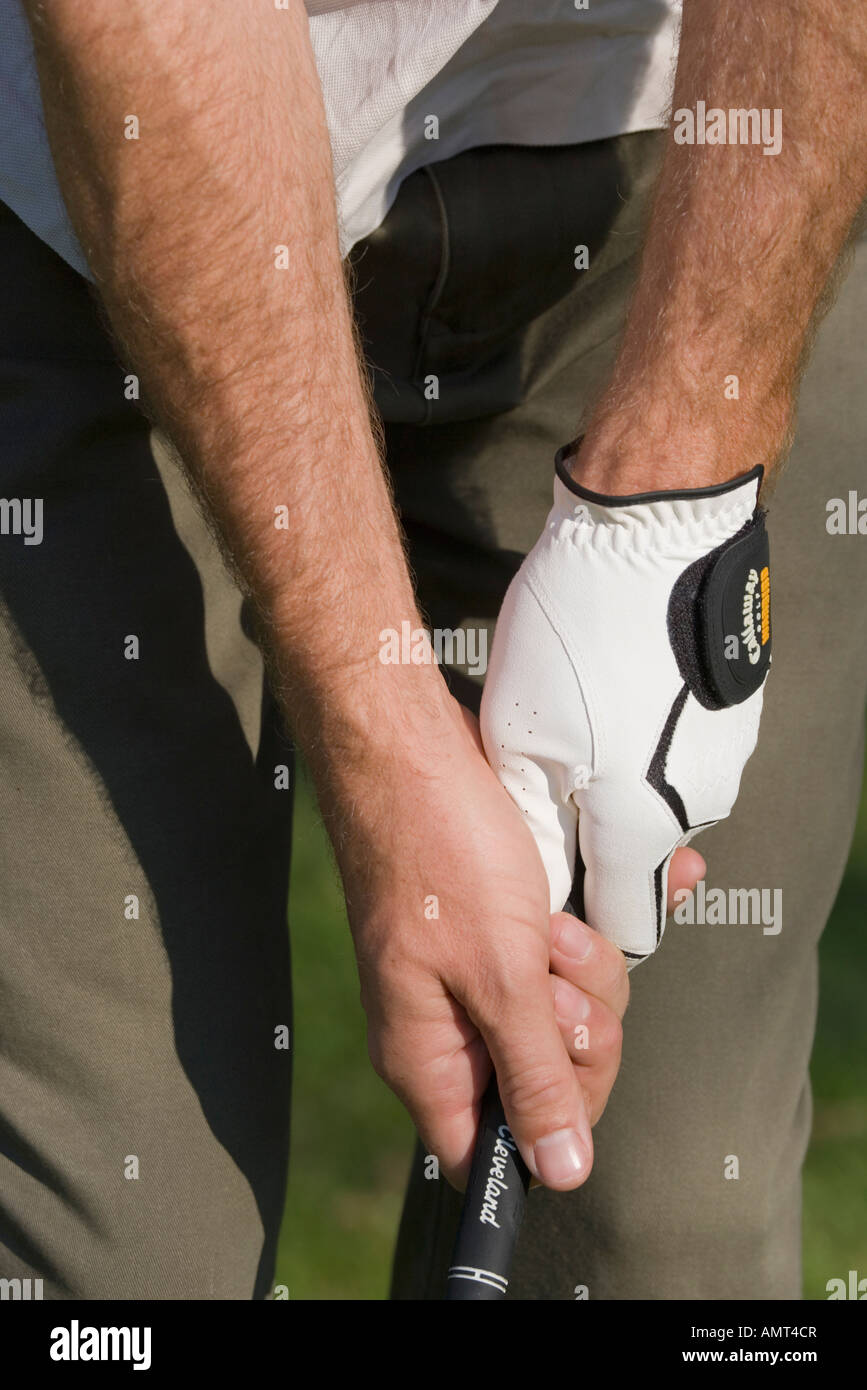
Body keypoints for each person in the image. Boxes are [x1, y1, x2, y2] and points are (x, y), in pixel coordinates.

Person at [0, 0, 863, 1301]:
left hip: (688, 174)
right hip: (82, 206)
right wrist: (378, 736)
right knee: (114, 1281)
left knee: (658, 1247)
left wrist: (674, 501)